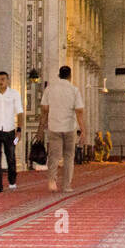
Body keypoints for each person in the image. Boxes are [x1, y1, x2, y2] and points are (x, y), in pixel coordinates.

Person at [40, 65, 86, 193]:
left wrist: (41, 127)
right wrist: (83, 130)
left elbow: (44, 109)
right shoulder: (74, 90)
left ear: (59, 75)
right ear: (70, 76)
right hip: (69, 128)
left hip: (54, 126)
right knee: (68, 157)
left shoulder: (50, 89)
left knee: (54, 156)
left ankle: (52, 181)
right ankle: (66, 185)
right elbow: (79, 111)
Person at [0, 70, 23, 192]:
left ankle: (12, 181)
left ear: (7, 81)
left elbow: (20, 113)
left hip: (10, 131)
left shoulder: (14, 94)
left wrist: (19, 131)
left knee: (11, 157)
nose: (0, 82)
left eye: (2, 79)